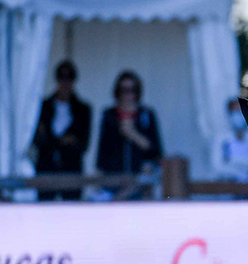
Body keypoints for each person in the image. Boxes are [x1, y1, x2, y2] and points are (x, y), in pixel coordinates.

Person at [95, 70, 162, 199]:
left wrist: (133, 135)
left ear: (137, 92)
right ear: (117, 92)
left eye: (132, 90)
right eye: (123, 90)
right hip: (114, 180)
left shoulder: (146, 115)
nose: (127, 95)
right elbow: (102, 151)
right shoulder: (109, 115)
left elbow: (156, 151)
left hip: (139, 181)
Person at [33, 60, 92, 201]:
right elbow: (37, 140)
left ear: (74, 80)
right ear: (56, 79)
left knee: (72, 213)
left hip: (71, 170)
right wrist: (64, 141)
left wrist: (53, 141)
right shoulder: (43, 107)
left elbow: (83, 144)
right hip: (46, 169)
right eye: (61, 77)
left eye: (69, 77)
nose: (65, 82)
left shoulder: (82, 110)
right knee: (44, 211)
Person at [213, 97, 248, 183]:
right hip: (228, 185)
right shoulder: (222, 138)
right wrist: (237, 173)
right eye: (235, 112)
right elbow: (217, 165)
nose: (239, 115)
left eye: (241, 112)